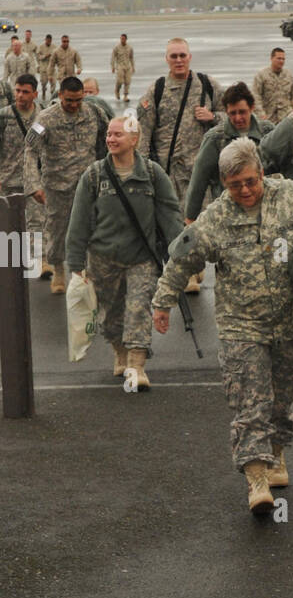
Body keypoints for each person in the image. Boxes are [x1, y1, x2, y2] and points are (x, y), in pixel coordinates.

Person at [152, 137, 293, 513]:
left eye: (251, 181)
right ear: (224, 185)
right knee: (250, 401)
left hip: (291, 323)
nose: (246, 191)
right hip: (241, 325)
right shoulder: (216, 218)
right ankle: (256, 480)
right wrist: (163, 302)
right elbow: (182, 258)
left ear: (261, 173)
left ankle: (277, 454)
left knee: (283, 400)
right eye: (235, 186)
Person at [66, 116, 183, 389]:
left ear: (134, 139)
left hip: (141, 258)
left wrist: (182, 253)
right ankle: (119, 351)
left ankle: (137, 366)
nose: (111, 139)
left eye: (118, 134)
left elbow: (170, 216)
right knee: (110, 316)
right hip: (103, 258)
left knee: (139, 309)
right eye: (109, 134)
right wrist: (75, 262)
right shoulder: (94, 175)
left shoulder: (152, 175)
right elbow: (79, 221)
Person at [22, 76, 108, 294]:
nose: (74, 105)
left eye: (78, 100)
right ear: (60, 95)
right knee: (57, 231)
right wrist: (33, 185)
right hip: (57, 186)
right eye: (69, 100)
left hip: (89, 184)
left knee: (92, 229)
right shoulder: (45, 119)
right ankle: (59, 268)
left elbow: (107, 141)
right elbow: (30, 151)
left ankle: (85, 273)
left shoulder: (94, 113)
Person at [136, 38, 225, 218]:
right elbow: (143, 132)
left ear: (189, 57)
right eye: (174, 56)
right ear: (166, 59)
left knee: (201, 227)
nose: (179, 60)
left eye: (182, 55)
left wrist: (213, 117)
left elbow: (233, 119)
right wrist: (144, 171)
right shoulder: (157, 90)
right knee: (171, 229)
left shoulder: (207, 85)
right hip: (167, 175)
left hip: (200, 176)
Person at [184, 82, 274, 223]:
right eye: (232, 113)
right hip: (230, 214)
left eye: (242, 112)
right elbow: (198, 181)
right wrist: (190, 219)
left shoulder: (268, 132)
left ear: (251, 108)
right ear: (226, 112)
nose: (238, 118)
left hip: (266, 211)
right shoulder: (215, 139)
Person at [0, 74, 49, 277]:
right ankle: (9, 268)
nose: (20, 95)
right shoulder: (4, 116)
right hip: (8, 179)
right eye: (17, 91)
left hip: (36, 179)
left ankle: (40, 264)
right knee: (8, 225)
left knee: (37, 222)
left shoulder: (44, 116)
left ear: (35, 94)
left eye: (25, 92)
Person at [252, 48, 293, 125]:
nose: (281, 61)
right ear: (271, 58)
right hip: (269, 118)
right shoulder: (262, 75)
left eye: (283, 59)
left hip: (286, 118)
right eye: (279, 58)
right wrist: (261, 114)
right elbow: (256, 96)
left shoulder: (289, 75)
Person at [111, 34, 135, 103]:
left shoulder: (129, 47)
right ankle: (117, 90)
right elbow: (113, 57)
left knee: (127, 82)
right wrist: (112, 66)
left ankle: (125, 96)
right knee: (120, 81)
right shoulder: (117, 47)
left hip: (128, 66)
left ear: (126, 39)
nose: (122, 40)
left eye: (123, 39)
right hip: (120, 66)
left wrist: (133, 67)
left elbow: (131, 58)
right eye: (121, 39)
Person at [35, 34, 54, 102]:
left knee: (53, 83)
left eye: (50, 41)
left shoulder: (54, 47)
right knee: (43, 83)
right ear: (45, 40)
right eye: (47, 40)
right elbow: (38, 57)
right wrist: (45, 56)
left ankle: (52, 97)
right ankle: (43, 93)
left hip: (52, 69)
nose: (49, 42)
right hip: (43, 68)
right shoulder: (41, 47)